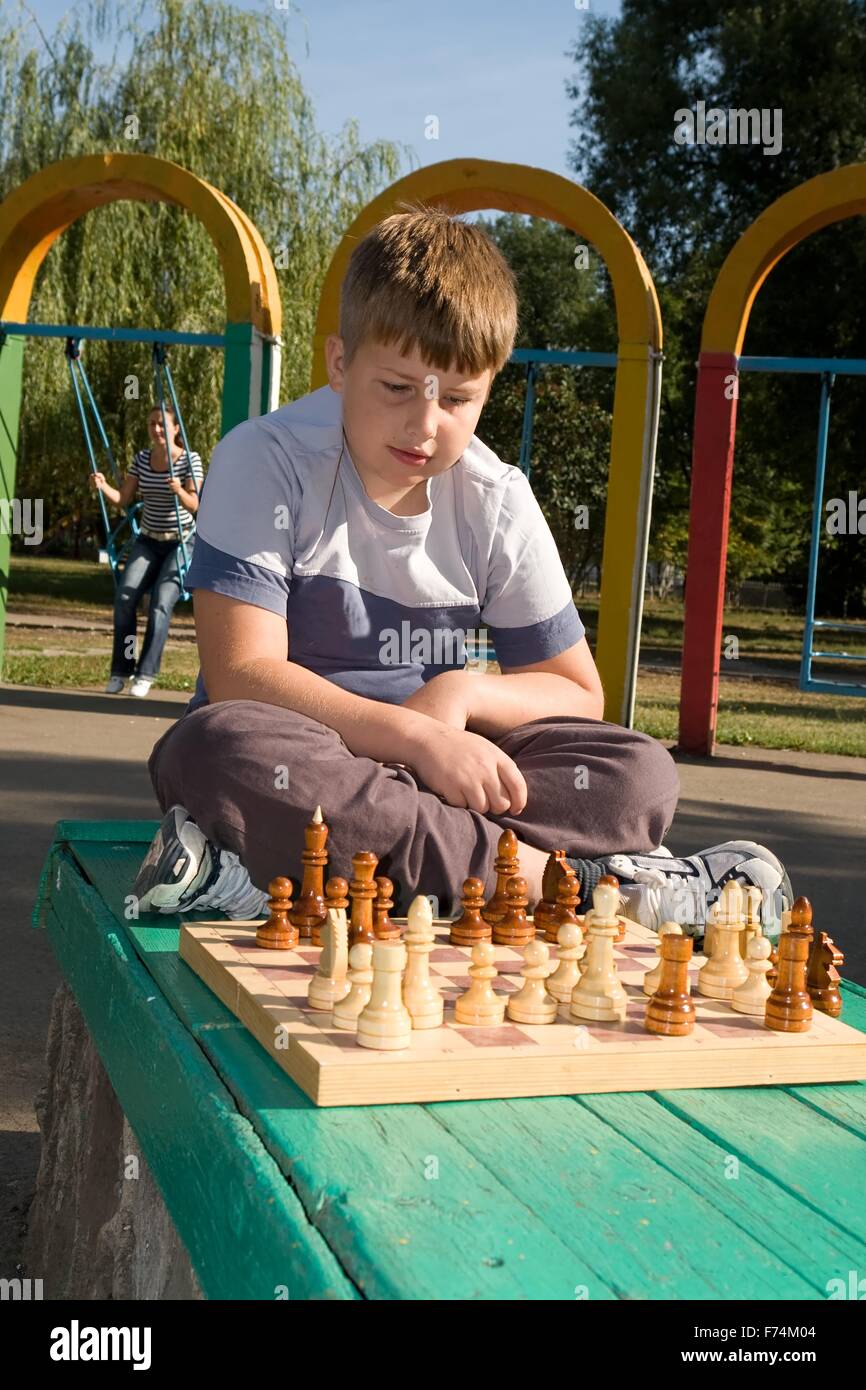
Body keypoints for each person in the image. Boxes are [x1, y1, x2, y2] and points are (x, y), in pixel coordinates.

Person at [133, 207, 792, 934]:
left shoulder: (494, 496)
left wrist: (456, 697)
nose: (424, 425)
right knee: (217, 749)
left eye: (456, 399)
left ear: (489, 388)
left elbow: (579, 692)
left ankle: (280, 872)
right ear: (339, 363)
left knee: (635, 773)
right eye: (397, 388)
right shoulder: (264, 459)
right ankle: (576, 886)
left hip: (429, 780)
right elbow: (242, 676)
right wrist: (414, 741)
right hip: (316, 755)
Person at [90, 404, 203, 697]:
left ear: (175, 429)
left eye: (161, 424)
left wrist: (179, 491)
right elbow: (123, 499)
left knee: (160, 604)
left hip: (181, 540)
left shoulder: (190, 459)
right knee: (125, 597)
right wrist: (103, 487)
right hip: (148, 539)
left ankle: (146, 673)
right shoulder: (141, 459)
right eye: (151, 424)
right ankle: (121, 670)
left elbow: (198, 506)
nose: (155, 429)